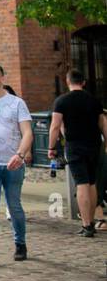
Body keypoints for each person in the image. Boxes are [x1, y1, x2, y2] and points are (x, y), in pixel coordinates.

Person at [47, 68, 106, 237]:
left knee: (81, 184)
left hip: (74, 146)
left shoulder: (62, 101)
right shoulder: (94, 100)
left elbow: (55, 126)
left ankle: (87, 224)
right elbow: (103, 124)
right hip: (94, 145)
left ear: (67, 82)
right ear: (84, 82)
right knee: (92, 183)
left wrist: (51, 148)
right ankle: (93, 220)